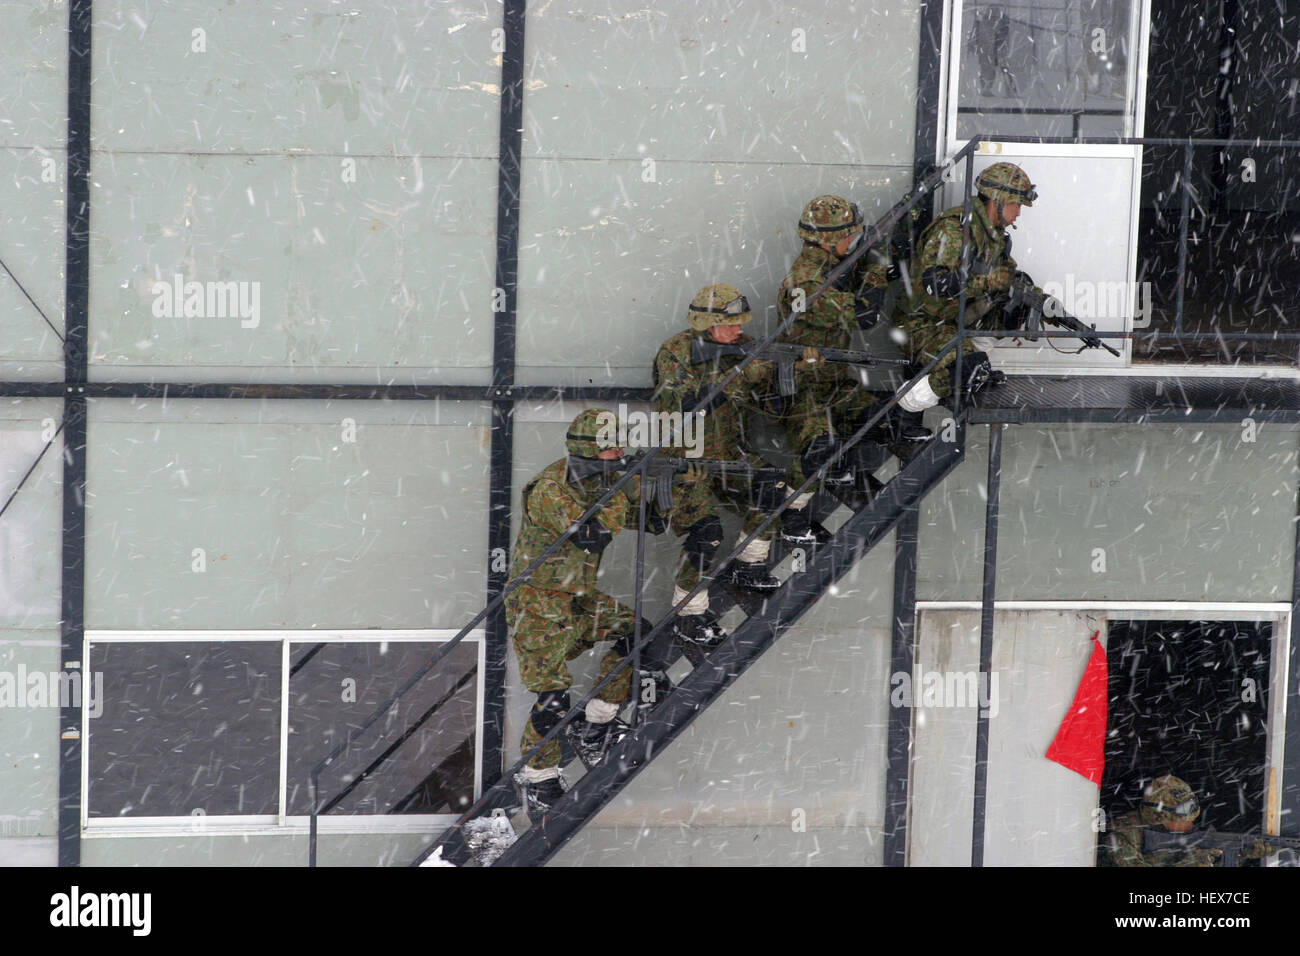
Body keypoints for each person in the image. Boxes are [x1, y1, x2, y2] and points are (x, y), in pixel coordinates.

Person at [505, 408, 722, 821]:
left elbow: (651, 506)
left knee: (639, 635)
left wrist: (681, 475)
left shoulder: (605, 478)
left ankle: (596, 723)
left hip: (576, 597)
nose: (621, 454)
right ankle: (537, 778)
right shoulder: (550, 489)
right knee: (551, 699)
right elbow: (593, 535)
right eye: (612, 450)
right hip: (536, 604)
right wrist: (625, 487)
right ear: (588, 453)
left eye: (622, 447)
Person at [775, 195, 916, 542]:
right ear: (828, 240)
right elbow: (864, 315)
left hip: (833, 380)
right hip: (805, 385)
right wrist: (875, 273)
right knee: (817, 449)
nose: (854, 242)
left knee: (882, 417)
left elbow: (860, 289)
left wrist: (884, 264)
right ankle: (788, 515)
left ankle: (841, 470)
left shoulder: (828, 269)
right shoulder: (806, 283)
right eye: (850, 237)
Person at [652, 283, 787, 594]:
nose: (738, 329)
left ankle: (749, 564)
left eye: (740, 323)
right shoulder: (676, 352)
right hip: (683, 462)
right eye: (730, 324)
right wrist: (740, 376)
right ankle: (688, 610)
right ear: (708, 324)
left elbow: (773, 410)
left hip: (727, 455)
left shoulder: (745, 348)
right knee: (707, 533)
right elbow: (689, 405)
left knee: (772, 484)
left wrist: (784, 370)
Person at [893, 161, 1033, 417]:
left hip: (952, 320)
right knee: (970, 367)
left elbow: (1009, 280)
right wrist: (987, 282)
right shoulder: (954, 229)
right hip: (921, 322)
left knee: (1021, 295)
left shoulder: (996, 237)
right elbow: (936, 284)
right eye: (1016, 205)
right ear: (997, 201)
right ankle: (906, 404)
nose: (1019, 213)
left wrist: (1045, 305)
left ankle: (971, 365)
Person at [1102, 775, 1222, 867]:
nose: (1191, 822)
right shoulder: (1121, 837)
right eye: (1183, 819)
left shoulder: (1181, 831)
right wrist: (1192, 862)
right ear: (1159, 816)